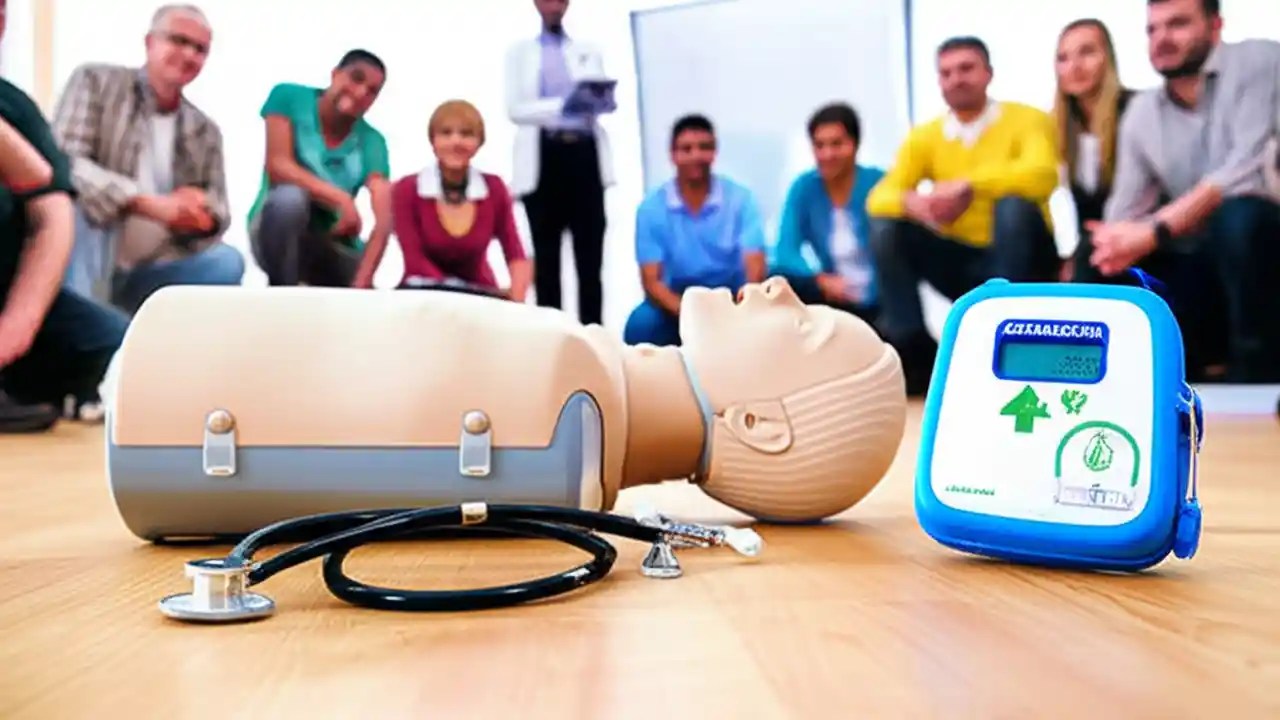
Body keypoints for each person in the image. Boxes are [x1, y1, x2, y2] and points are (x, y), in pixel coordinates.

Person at [1089, 0, 1280, 382]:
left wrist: (1156, 228)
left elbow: (1247, 169)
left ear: (1215, 25)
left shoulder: (1260, 61)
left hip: (1263, 241)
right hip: (1198, 253)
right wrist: (1113, 240)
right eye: (1152, 29)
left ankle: (1257, 375)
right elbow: (1124, 209)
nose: (1162, 39)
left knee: (1239, 219)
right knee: (1100, 256)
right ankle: (1124, 385)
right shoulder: (1143, 112)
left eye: (1177, 24)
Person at [866, 36, 1060, 395]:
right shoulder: (924, 137)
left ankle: (1008, 331)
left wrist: (968, 186)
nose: (956, 79)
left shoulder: (1028, 119)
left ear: (988, 73)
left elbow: (1043, 175)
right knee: (887, 228)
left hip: (1025, 259)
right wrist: (916, 204)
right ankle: (911, 347)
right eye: (946, 73)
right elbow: (879, 197)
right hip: (961, 262)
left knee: (1013, 206)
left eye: (966, 68)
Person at [50, 3, 244, 314]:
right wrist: (147, 203)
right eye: (179, 40)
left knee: (227, 262)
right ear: (149, 42)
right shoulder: (94, 82)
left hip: (158, 265)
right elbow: (65, 162)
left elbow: (220, 208)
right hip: (94, 249)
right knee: (75, 208)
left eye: (200, 49)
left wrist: (202, 214)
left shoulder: (205, 130)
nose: (190, 54)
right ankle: (85, 331)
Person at [1, 76, 128, 432]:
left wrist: (18, 324)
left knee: (122, 351)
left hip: (11, 291)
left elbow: (39, 180)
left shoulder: (11, 103)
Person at [505, 0, 616, 324]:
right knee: (547, 260)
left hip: (585, 156)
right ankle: (551, 341)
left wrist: (590, 101)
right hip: (544, 159)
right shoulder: (519, 53)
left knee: (590, 263)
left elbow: (598, 101)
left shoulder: (587, 50)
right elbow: (515, 109)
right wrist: (564, 105)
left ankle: (595, 340)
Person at [249, 49, 393, 289]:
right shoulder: (288, 97)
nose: (360, 93)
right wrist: (340, 198)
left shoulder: (373, 141)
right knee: (289, 199)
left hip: (333, 245)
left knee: (372, 302)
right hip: (277, 231)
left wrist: (362, 284)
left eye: (372, 91)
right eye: (356, 79)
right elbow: (278, 165)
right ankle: (282, 294)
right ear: (335, 74)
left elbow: (384, 216)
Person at [623, 114, 766, 347]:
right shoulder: (651, 208)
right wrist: (695, 317)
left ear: (715, 152)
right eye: (686, 149)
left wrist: (738, 310)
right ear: (672, 154)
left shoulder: (741, 199)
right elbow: (652, 283)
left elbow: (755, 270)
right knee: (640, 326)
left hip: (733, 297)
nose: (696, 156)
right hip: (678, 302)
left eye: (704, 147)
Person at [380, 100, 532, 299]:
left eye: (466, 134)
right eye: (446, 133)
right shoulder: (407, 189)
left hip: (479, 295)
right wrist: (459, 293)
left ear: (480, 142)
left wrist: (518, 298)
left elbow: (516, 254)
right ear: (432, 140)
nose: (456, 142)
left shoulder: (494, 189)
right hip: (423, 296)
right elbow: (414, 260)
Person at [770, 102, 884, 328]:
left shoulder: (878, 182)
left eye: (837, 144)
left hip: (881, 300)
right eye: (819, 145)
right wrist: (821, 280)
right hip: (834, 297)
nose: (828, 154)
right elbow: (785, 250)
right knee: (775, 277)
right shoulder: (805, 187)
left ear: (855, 144)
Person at [1051, 18, 1136, 281]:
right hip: (1089, 246)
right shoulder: (1059, 126)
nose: (1074, 67)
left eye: (1087, 52)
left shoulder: (1136, 110)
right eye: (1063, 58)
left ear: (1108, 58)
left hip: (1134, 237)